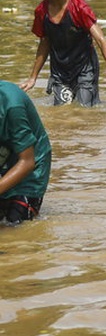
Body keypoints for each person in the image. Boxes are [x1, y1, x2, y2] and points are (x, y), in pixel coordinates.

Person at [0, 80, 51, 227]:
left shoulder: (11, 105)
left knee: (12, 226)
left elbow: (27, 162)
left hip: (30, 166)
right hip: (4, 155)